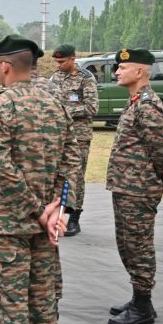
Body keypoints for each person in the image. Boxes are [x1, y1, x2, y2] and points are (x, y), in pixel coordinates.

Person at [0, 34, 81, 324]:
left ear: (4, 66)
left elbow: (4, 169)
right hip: (46, 225)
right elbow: (72, 160)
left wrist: (39, 211)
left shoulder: (0, 106)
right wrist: (59, 210)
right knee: (44, 307)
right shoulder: (55, 103)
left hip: (10, 226)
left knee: (9, 311)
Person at [106, 48, 163, 324]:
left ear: (140, 71)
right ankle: (139, 299)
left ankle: (143, 306)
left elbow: (159, 149)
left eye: (123, 68)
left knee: (139, 247)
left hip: (139, 189)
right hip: (127, 187)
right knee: (128, 245)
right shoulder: (136, 102)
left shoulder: (148, 105)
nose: (117, 72)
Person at [50, 44, 99, 236]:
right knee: (57, 176)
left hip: (79, 137)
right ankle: (56, 215)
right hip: (58, 136)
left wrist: (65, 111)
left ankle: (74, 218)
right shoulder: (55, 78)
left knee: (76, 177)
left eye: (62, 61)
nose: (59, 65)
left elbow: (92, 108)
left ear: (73, 59)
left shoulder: (86, 79)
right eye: (57, 61)